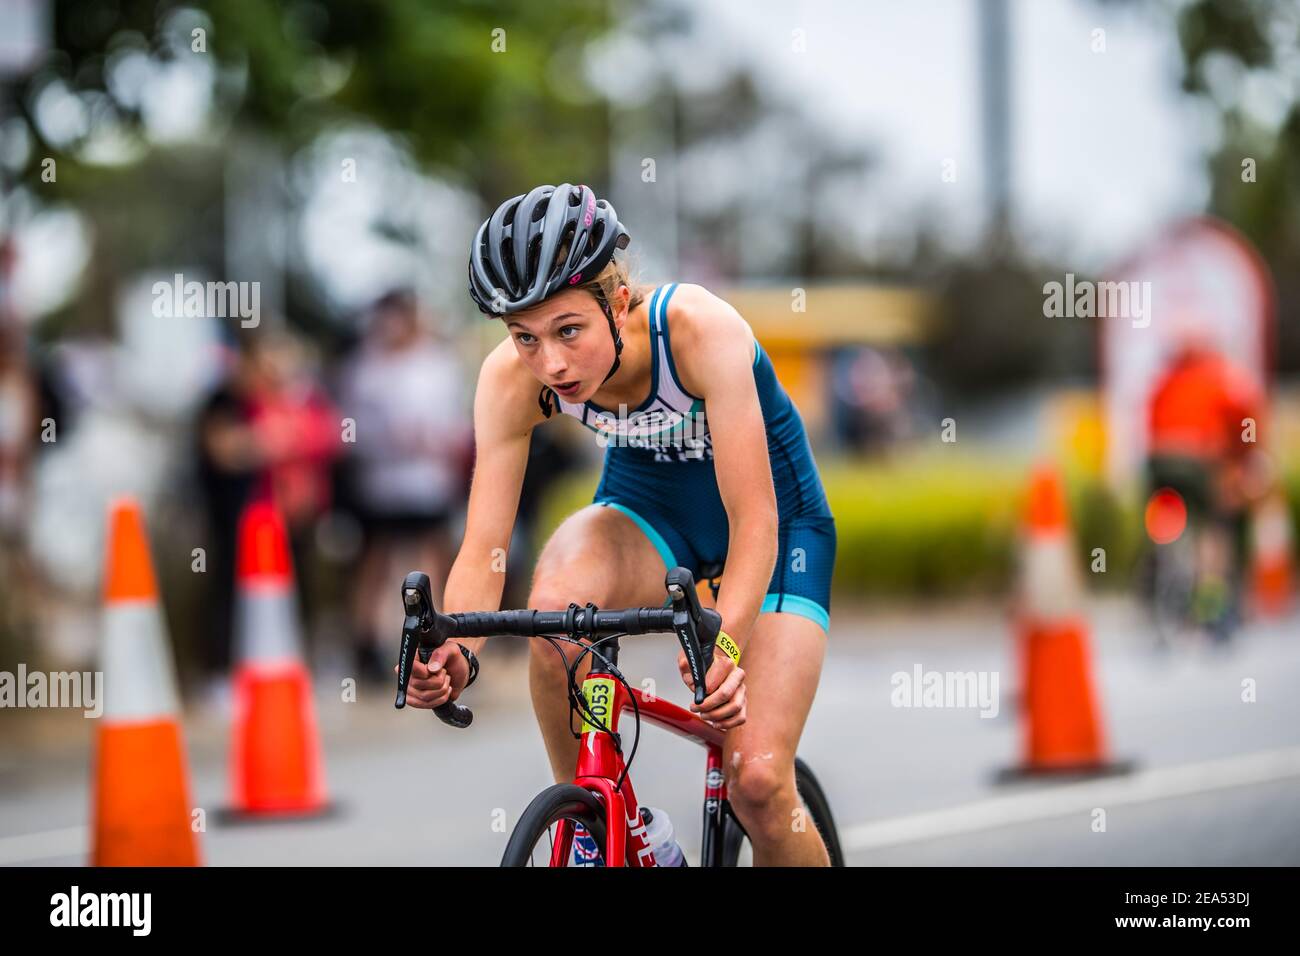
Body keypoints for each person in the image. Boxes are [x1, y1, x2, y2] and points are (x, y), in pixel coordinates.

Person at [400, 183, 837, 866]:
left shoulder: (698, 329)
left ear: (620, 301)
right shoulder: (510, 379)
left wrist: (728, 649)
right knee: (552, 619)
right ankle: (599, 822)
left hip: (777, 536)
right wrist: (462, 649)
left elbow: (757, 520)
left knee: (756, 782)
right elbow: (485, 547)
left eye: (568, 330)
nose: (550, 362)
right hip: (649, 521)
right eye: (525, 338)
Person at [336, 289, 472, 682]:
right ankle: (367, 647)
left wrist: (432, 441)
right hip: (381, 484)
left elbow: (454, 424)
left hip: (427, 482)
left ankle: (436, 637)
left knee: (431, 557)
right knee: (375, 561)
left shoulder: (437, 364)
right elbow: (352, 428)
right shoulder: (365, 368)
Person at [1144, 329, 1268, 640]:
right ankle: (1211, 608)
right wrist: (1246, 456)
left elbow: (1150, 417)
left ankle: (1160, 580)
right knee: (1213, 527)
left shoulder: (1166, 378)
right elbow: (1244, 416)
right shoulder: (1218, 374)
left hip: (1159, 462)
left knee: (1166, 520)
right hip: (1198, 459)